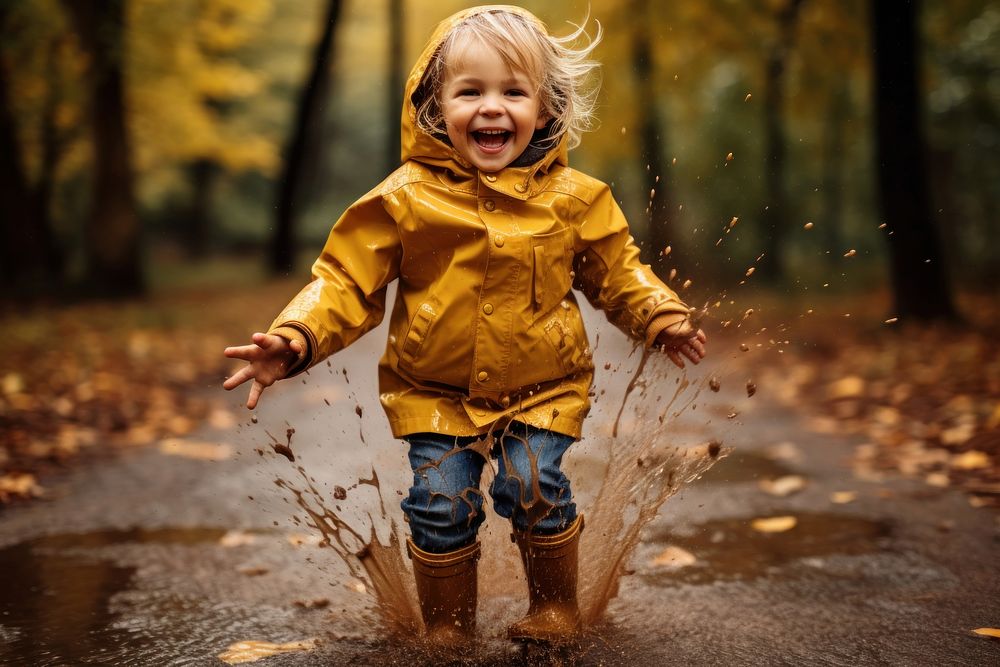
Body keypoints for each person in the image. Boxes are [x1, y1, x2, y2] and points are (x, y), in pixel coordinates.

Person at [224, 5, 706, 648]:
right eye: (470, 91)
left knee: (532, 483)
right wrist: (296, 336)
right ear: (434, 107)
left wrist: (659, 315)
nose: (492, 108)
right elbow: (344, 280)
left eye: (514, 91)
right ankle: (449, 628)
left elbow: (619, 273)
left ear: (546, 108)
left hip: (545, 388)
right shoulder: (404, 199)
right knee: (441, 504)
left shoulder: (577, 200)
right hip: (434, 392)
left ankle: (556, 609)